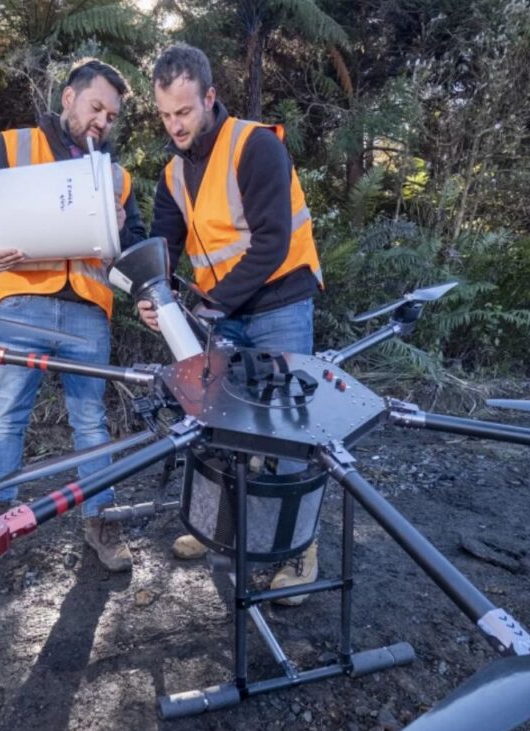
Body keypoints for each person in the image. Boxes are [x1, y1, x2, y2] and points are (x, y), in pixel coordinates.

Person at [137, 43, 324, 603]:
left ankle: (300, 551)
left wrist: (209, 307)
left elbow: (272, 243)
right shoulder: (172, 173)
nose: (175, 125)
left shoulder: (255, 145)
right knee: (219, 428)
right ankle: (227, 529)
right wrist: (152, 297)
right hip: (220, 312)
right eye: (166, 115)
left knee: (289, 433)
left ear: (210, 97)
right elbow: (161, 251)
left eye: (184, 112)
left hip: (279, 303)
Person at [0, 58, 147, 572]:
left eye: (111, 114)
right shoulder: (13, 145)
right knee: (8, 416)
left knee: (91, 422)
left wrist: (124, 230)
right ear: (68, 98)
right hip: (21, 303)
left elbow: (134, 247)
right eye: (96, 106)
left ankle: (100, 520)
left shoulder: (117, 177)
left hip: (88, 310)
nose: (102, 121)